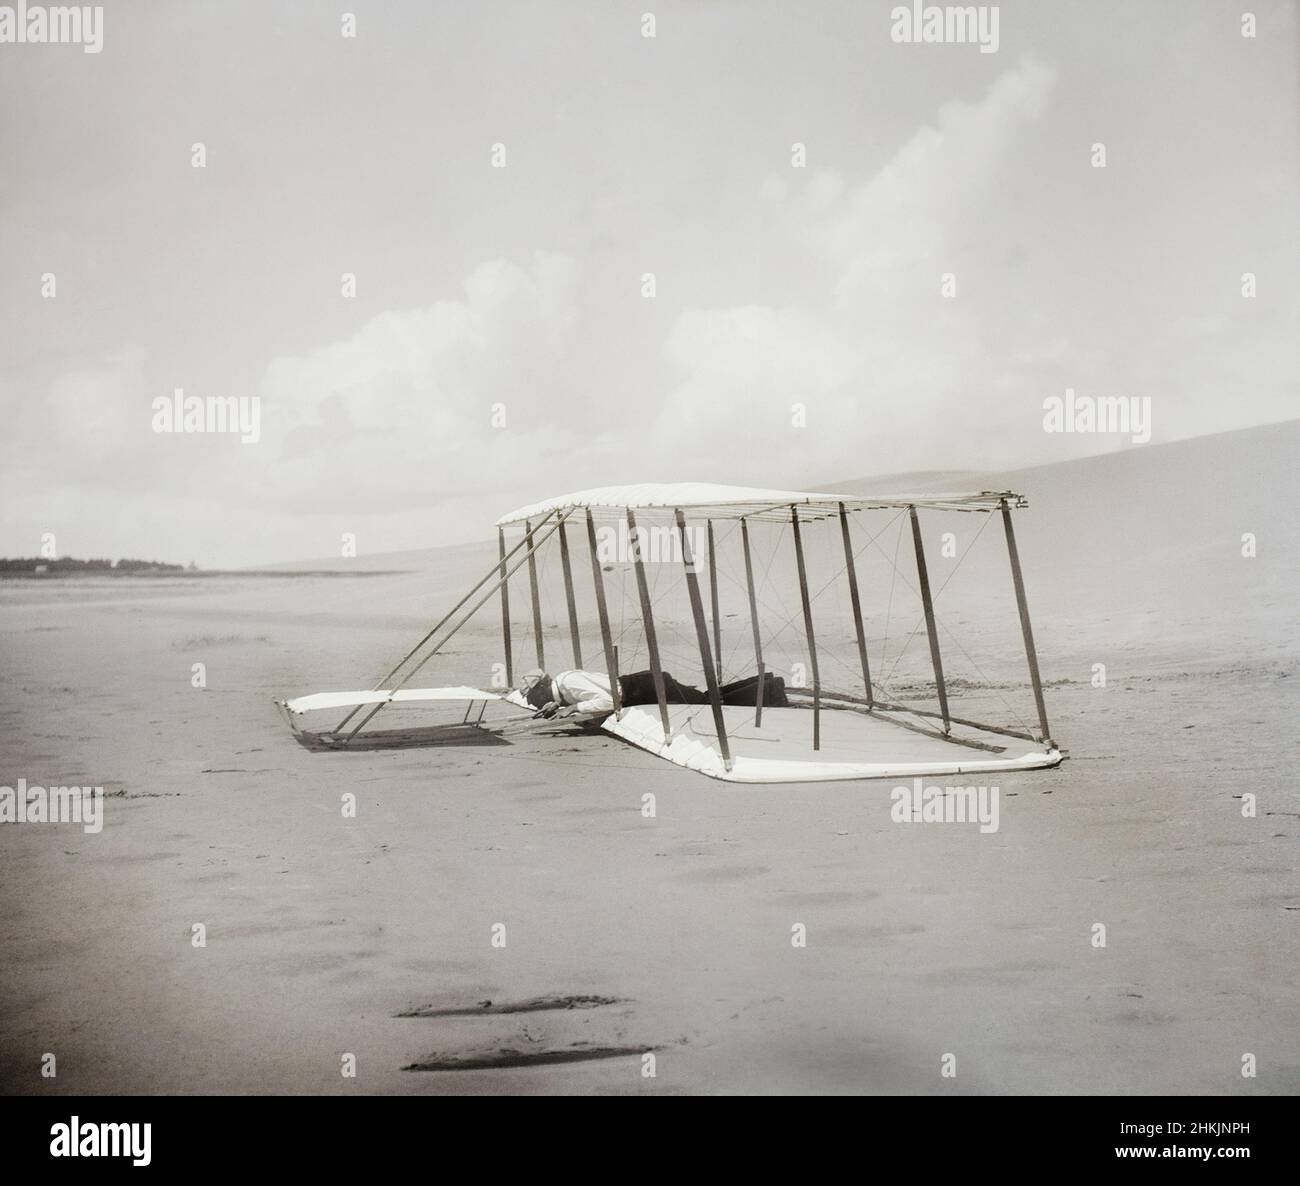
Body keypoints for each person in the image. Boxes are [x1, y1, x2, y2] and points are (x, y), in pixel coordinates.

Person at [517, 667, 787, 718]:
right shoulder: (562, 687)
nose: (532, 702)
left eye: (533, 697)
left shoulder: (569, 684)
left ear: (542, 687)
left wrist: (573, 708)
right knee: (706, 698)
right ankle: (766, 683)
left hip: (644, 688)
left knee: (706, 702)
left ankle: (771, 689)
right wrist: (560, 705)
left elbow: (609, 701)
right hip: (641, 686)